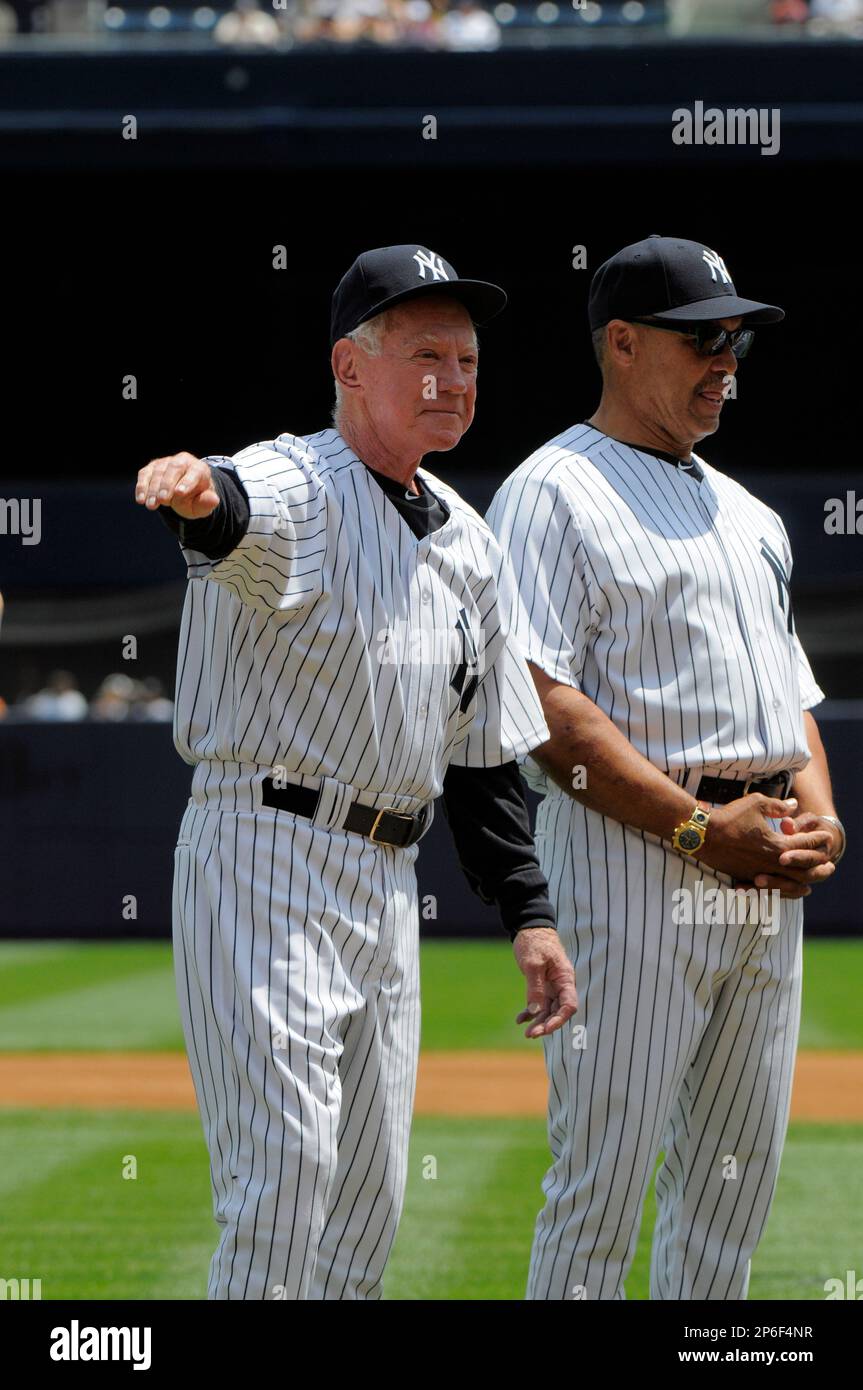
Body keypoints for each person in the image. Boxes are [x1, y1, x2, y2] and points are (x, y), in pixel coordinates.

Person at [134, 244, 577, 1300]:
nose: (454, 380)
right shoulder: (301, 477)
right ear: (348, 365)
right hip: (263, 854)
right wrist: (199, 496)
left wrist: (530, 912)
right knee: (285, 1179)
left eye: (467, 360)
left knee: (364, 1215)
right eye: (425, 354)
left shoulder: (470, 541)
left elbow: (476, 761)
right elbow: (241, 508)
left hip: (383, 881)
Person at [487, 234, 845, 1300]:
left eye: (733, 337)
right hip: (630, 872)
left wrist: (815, 817)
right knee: (600, 1197)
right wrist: (698, 828)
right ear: (622, 343)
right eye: (700, 338)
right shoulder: (552, 490)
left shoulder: (747, 513)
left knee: (728, 1206)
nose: (724, 359)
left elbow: (790, 700)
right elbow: (543, 708)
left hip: (760, 876)